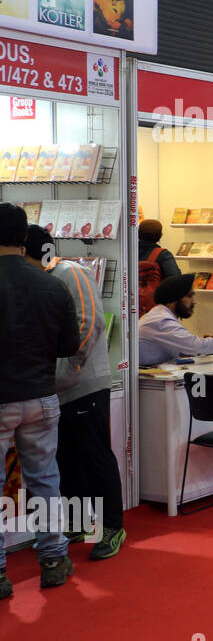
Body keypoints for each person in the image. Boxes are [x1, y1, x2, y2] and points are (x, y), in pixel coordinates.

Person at [23, 226, 125, 560]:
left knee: (95, 457)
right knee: (66, 460)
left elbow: (90, 323)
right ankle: (78, 524)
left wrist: (65, 374)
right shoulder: (40, 280)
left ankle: (112, 526)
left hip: (83, 385)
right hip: (55, 388)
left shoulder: (71, 272)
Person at [0, 204, 79, 595]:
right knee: (45, 480)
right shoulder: (52, 284)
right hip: (41, 395)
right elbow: (69, 344)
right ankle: (53, 558)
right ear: (25, 239)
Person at [139, 273, 213, 365]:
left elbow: (186, 348)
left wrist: (209, 346)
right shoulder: (161, 321)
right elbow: (194, 345)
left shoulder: (159, 315)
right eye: (189, 296)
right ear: (173, 300)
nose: (194, 302)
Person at [138, 218, 181, 315]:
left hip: (128, 305)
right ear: (159, 236)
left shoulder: (127, 251)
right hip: (153, 308)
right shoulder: (163, 255)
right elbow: (174, 279)